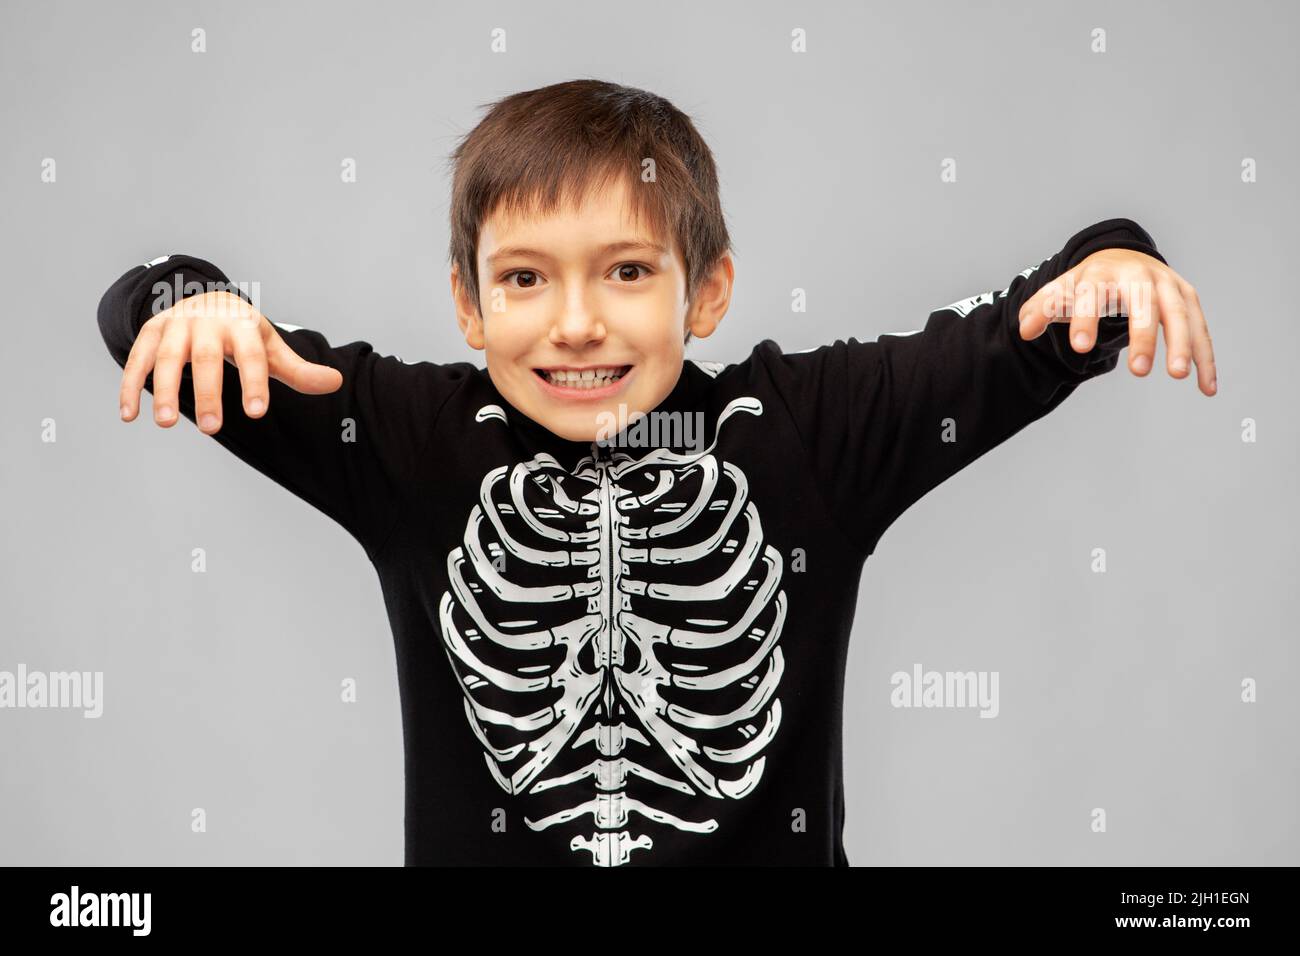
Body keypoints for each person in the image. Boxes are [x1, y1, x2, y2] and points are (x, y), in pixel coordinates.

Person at [97, 78, 1216, 867]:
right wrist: (189, 299)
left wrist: (1116, 257)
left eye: (628, 270)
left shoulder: (805, 432)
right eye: (524, 279)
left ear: (708, 291)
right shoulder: (414, 443)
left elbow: (1033, 323)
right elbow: (152, 309)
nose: (576, 323)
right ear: (469, 309)